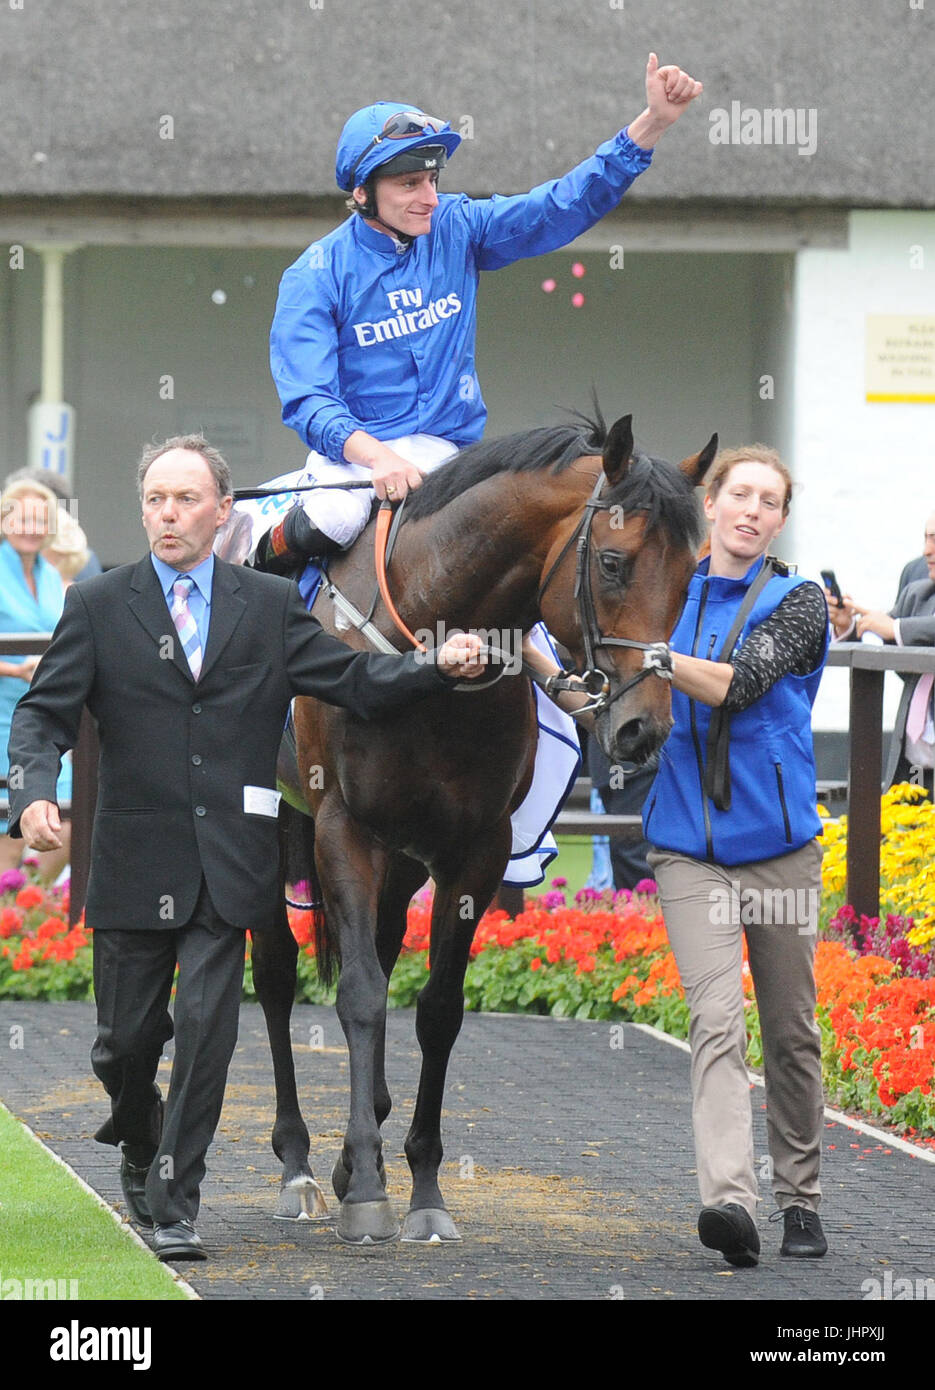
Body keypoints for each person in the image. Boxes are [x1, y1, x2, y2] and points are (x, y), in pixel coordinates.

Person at [7, 435, 485, 1263]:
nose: (169, 514)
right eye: (156, 499)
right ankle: (138, 1129)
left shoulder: (264, 605)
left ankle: (175, 1201)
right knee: (122, 1044)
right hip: (130, 858)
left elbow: (352, 681)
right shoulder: (97, 605)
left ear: (222, 511)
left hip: (229, 862)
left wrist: (433, 666)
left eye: (186, 499)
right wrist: (34, 792)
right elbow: (43, 714)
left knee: (205, 1034)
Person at [254, 53, 703, 573]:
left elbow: (558, 208)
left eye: (432, 180)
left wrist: (651, 126)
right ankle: (254, 583)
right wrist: (377, 457)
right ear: (361, 193)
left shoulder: (458, 227)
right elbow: (309, 400)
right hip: (356, 462)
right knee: (329, 519)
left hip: (453, 460)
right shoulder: (314, 275)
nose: (429, 198)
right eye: (409, 185)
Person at [645, 445, 829, 1265]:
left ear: (780, 519)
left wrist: (644, 658)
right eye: (738, 495)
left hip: (781, 851)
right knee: (715, 1022)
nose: (752, 510)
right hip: (687, 848)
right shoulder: (660, 596)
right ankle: (730, 1205)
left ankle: (799, 1199)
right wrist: (537, 658)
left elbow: (739, 682)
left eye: (769, 500)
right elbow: (600, 692)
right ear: (710, 504)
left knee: (789, 1031)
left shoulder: (799, 602)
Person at [826, 510, 935, 794]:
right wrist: (849, 626)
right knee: (908, 831)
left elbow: (897, 628)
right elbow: (884, 644)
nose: (926, 551)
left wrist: (896, 627)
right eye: (925, 538)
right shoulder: (918, 592)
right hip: (915, 765)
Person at [0, 477, 72, 882]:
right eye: (22, 518)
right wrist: (14, 668)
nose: (30, 527)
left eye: (38, 519)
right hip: (1, 716)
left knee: (66, 820)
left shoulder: (52, 575)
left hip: (46, 716)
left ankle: (25, 905)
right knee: (8, 830)